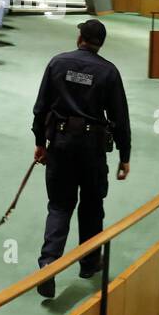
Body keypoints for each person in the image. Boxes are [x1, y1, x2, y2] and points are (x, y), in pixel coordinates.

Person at [31, 18, 131, 298]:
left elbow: (40, 108)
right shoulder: (109, 72)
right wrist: (125, 155)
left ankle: (49, 264)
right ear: (101, 43)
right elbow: (120, 119)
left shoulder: (57, 63)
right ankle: (88, 263)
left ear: (80, 38)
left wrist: (41, 143)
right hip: (91, 149)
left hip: (60, 144)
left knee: (60, 206)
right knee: (91, 206)